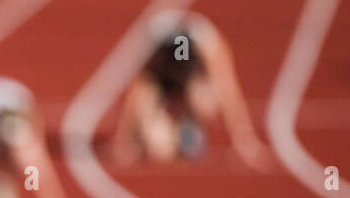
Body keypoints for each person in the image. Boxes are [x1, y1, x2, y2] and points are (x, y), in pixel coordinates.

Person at [111, 10, 268, 168]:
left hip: (192, 87)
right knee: (161, 151)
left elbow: (227, 89)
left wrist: (244, 139)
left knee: (206, 104)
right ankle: (172, 126)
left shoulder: (208, 43)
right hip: (163, 88)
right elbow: (138, 89)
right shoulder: (151, 43)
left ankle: (189, 124)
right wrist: (125, 139)